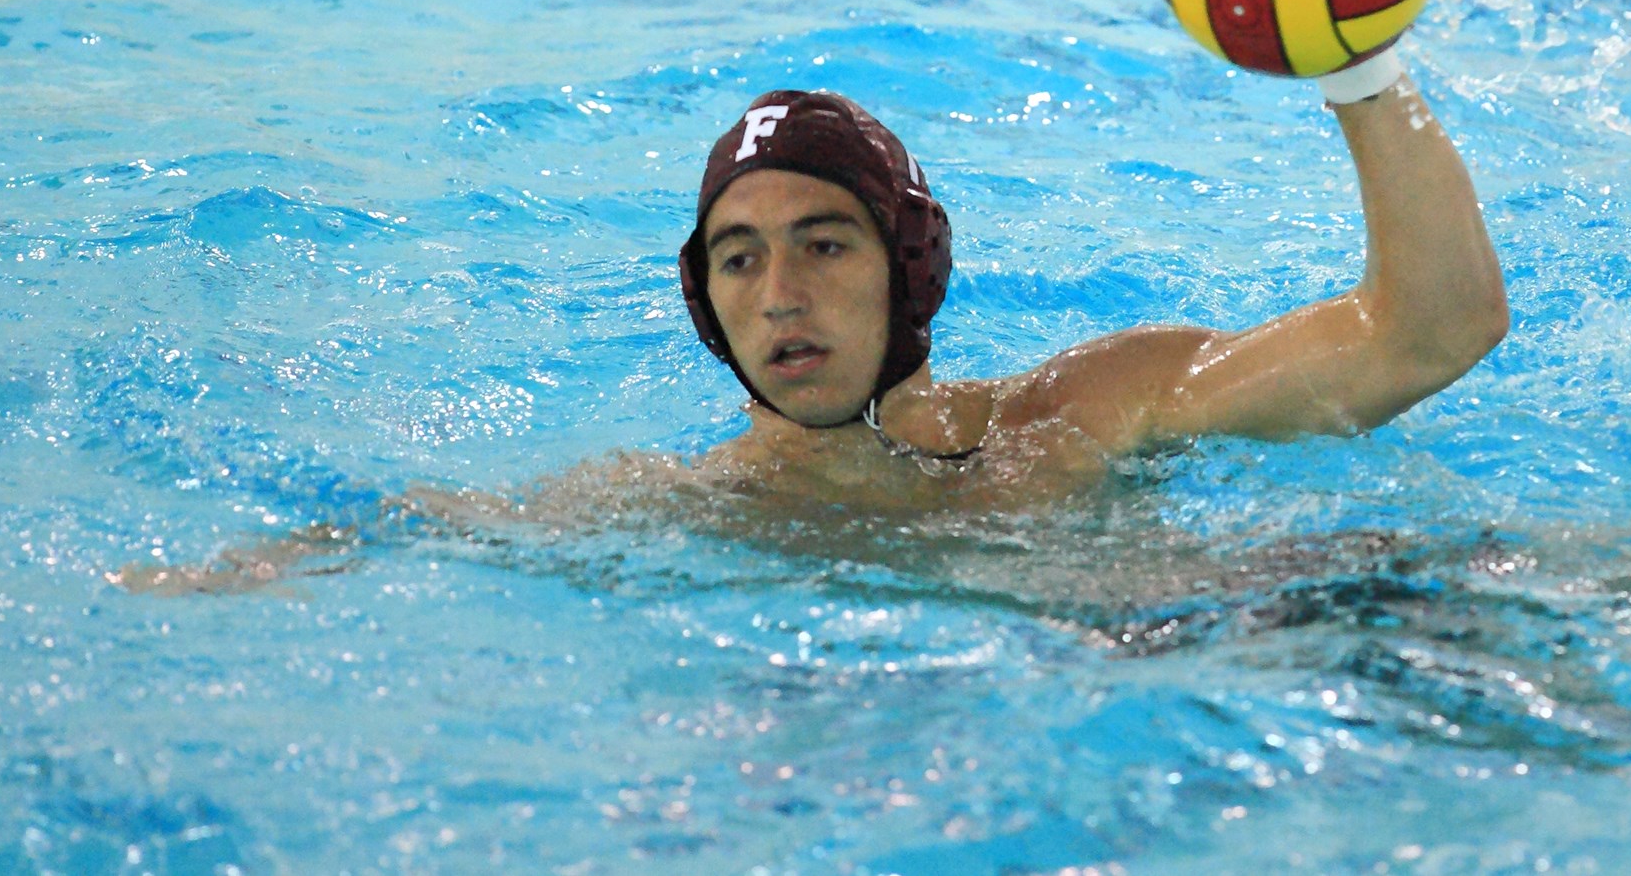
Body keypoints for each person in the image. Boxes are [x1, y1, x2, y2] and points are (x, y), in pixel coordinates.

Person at [112, 47, 1507, 593]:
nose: (777, 294)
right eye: (735, 260)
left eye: (824, 243)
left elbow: (1428, 332)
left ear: (909, 267)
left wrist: (1362, 68)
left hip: (1288, 624)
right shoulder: (695, 509)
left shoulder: (1086, 404)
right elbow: (426, 520)